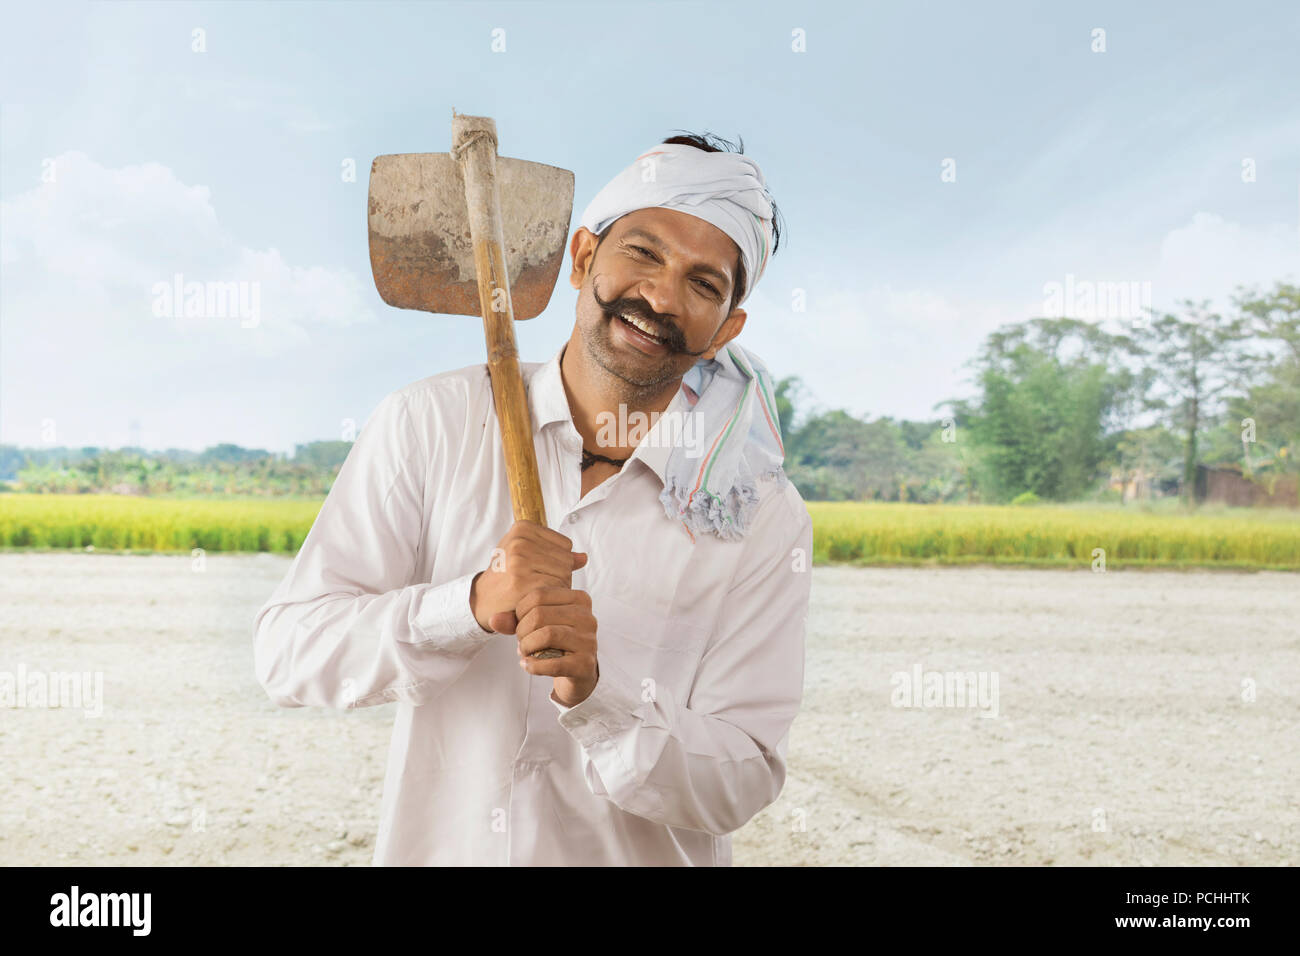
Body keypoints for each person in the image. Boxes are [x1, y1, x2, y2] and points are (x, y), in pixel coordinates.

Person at [252, 130, 813, 865]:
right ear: (583, 258)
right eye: (642, 253)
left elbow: (740, 779)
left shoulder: (758, 514)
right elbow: (290, 653)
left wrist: (597, 695)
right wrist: (469, 605)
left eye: (704, 284)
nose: (660, 297)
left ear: (725, 330)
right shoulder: (431, 422)